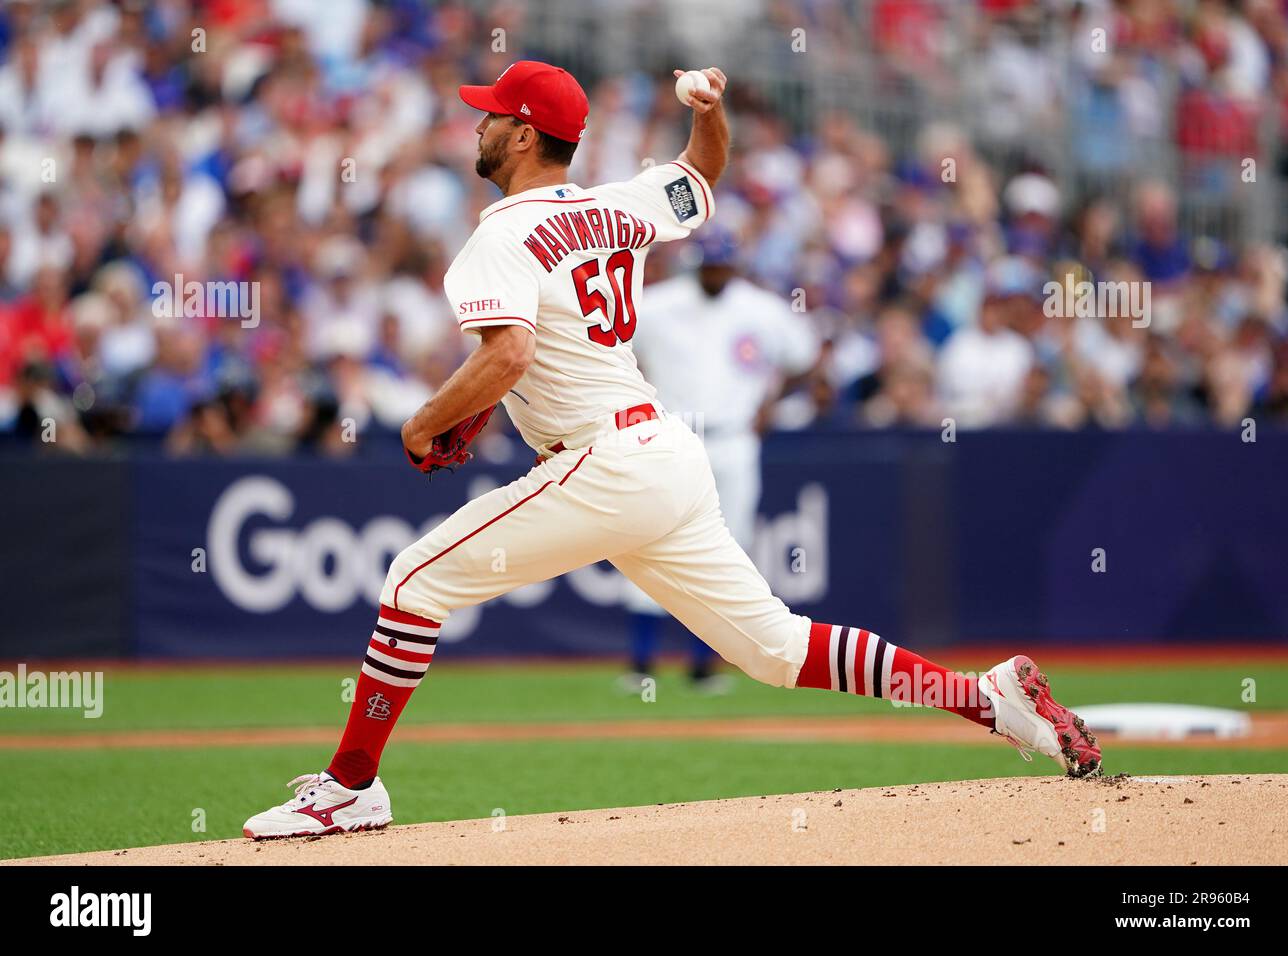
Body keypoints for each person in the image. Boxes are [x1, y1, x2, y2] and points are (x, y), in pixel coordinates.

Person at [243, 61, 1101, 839]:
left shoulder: (497, 238)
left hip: (606, 458)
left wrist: (421, 422)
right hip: (661, 453)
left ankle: (352, 785)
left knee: (412, 582)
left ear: (525, 134)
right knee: (773, 648)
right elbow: (701, 173)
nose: (478, 125)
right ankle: (984, 701)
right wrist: (711, 111)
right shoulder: (618, 204)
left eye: (492, 114)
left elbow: (507, 355)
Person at [619, 226, 818, 693]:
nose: (716, 272)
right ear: (696, 264)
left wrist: (772, 404)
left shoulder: (761, 308)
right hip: (670, 436)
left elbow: (806, 357)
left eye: (722, 264)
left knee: (730, 550)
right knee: (646, 537)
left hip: (734, 439)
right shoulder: (659, 303)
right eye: (708, 264)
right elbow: (615, 354)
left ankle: (704, 666)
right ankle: (641, 663)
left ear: (735, 264)